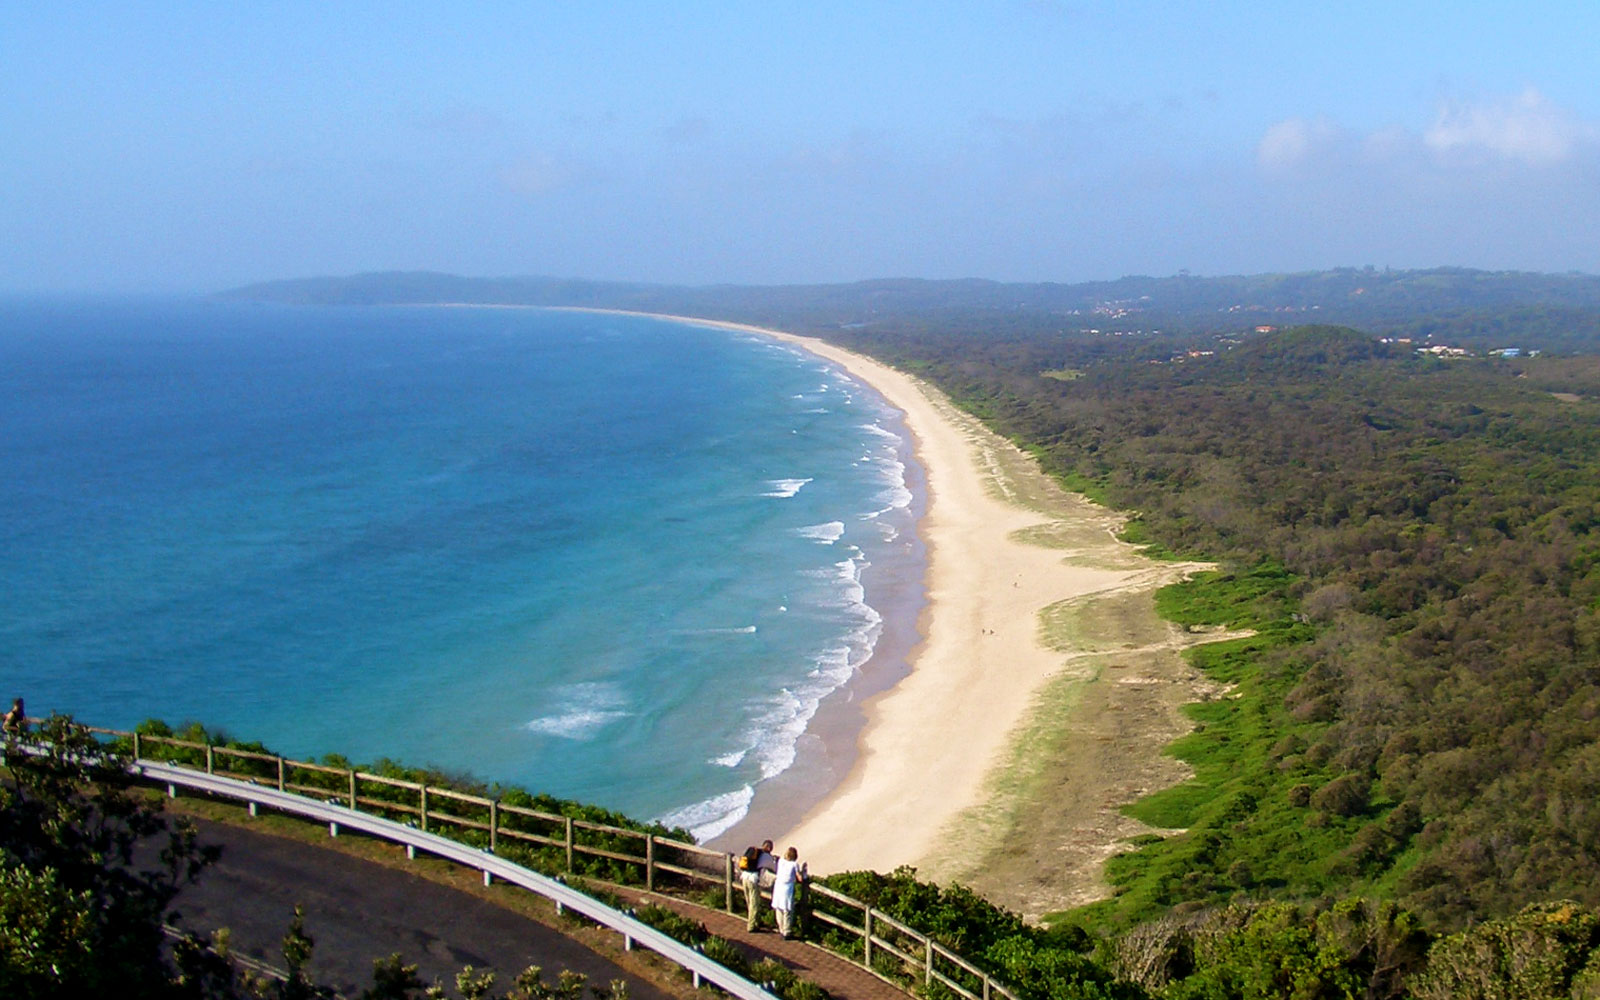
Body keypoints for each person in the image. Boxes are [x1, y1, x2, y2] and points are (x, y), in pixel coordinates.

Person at [738, 839, 778, 932]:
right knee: (754, 903)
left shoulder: (755, 853)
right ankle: (751, 926)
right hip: (752, 879)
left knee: (749, 901)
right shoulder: (766, 856)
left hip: (744, 877)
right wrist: (774, 860)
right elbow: (774, 868)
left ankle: (756, 921)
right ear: (769, 848)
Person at [772, 845, 806, 939]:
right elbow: (800, 878)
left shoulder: (781, 862)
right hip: (787, 888)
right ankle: (787, 931)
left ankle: (781, 929)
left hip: (778, 886)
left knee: (779, 908)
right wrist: (803, 871)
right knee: (787, 909)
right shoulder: (794, 864)